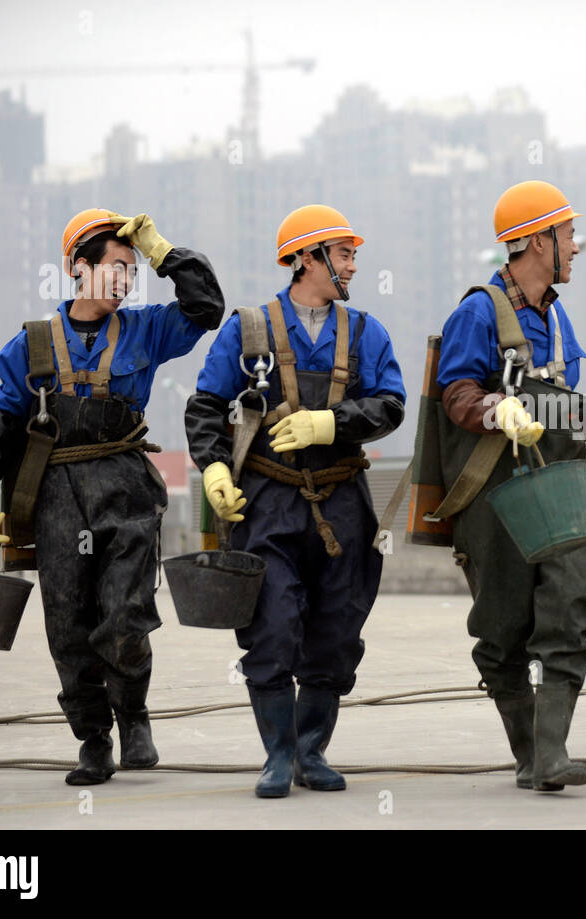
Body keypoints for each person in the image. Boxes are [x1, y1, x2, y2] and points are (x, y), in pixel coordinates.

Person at [0, 208, 224, 785]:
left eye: (133, 271)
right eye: (116, 268)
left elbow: (206, 308)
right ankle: (93, 739)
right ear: (79, 268)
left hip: (126, 489)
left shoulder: (147, 329)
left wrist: (161, 251)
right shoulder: (32, 345)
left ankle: (133, 716)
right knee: (68, 624)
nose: (127, 281)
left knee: (126, 613)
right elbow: (2, 419)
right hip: (56, 495)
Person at [185, 205, 404, 797]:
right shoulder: (247, 330)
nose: (353, 266)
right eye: (345, 254)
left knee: (337, 628)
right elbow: (206, 406)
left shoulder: (366, 333)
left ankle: (312, 750)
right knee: (273, 624)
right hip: (267, 501)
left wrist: (330, 423)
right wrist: (213, 468)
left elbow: (390, 405)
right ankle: (278, 754)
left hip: (342, 503)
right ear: (308, 257)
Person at [435, 180, 586, 792]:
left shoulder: (555, 315)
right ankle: (528, 755)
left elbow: (557, 399)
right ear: (538, 241)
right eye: (567, 234)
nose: (576, 246)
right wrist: (497, 409)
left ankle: (551, 752)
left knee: (571, 603)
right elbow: (456, 393)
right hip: (496, 491)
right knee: (502, 624)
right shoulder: (478, 312)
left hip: (560, 484)